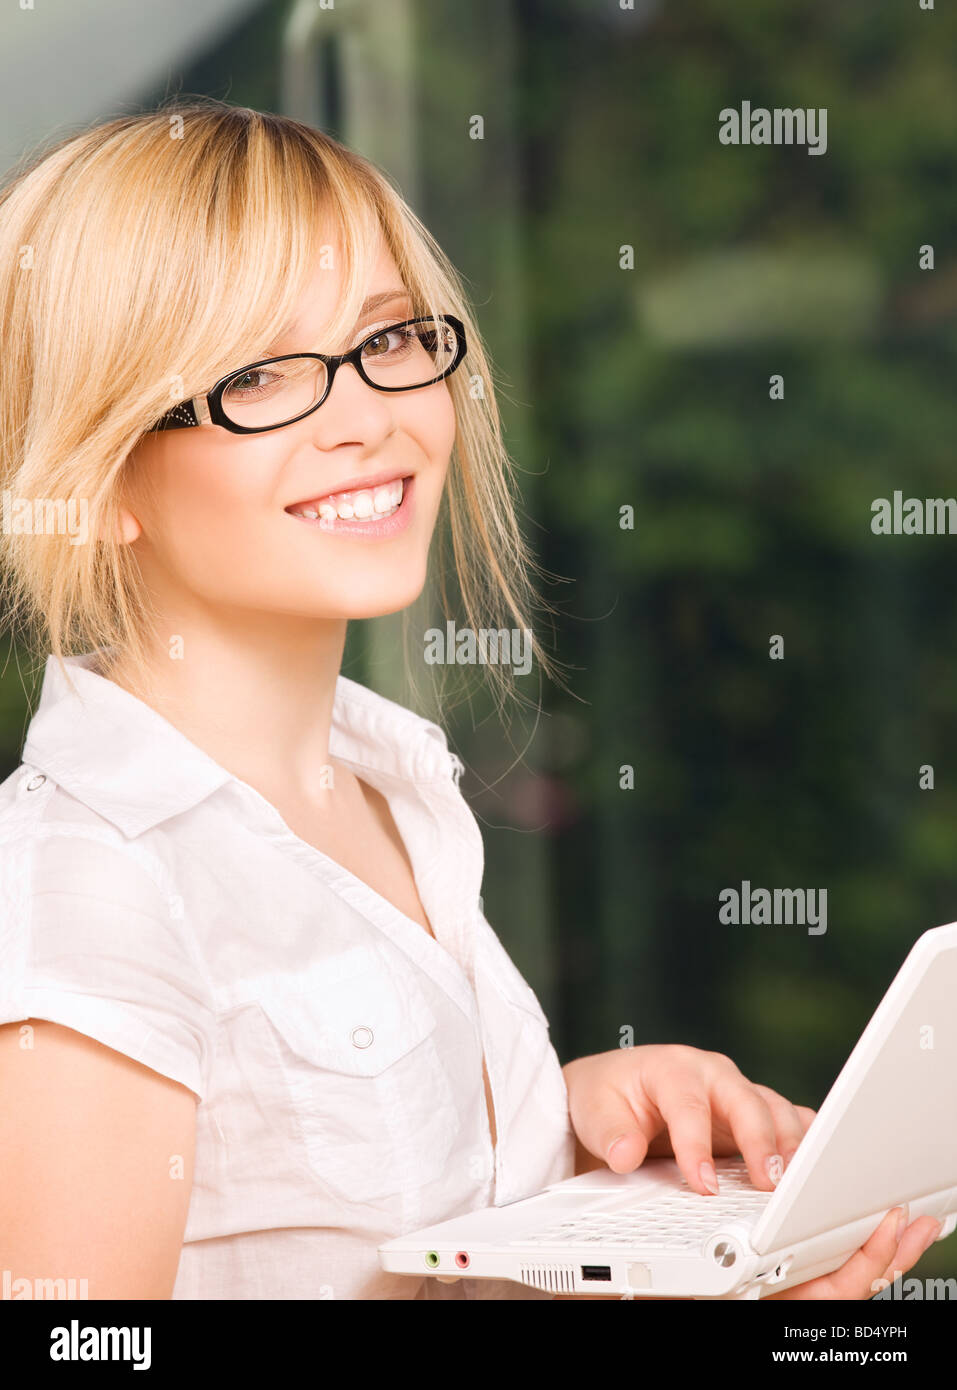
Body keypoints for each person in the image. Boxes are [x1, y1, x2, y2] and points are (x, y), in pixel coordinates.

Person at [0, 101, 939, 1301]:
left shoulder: (390, 790)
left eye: (388, 341)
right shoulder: (86, 892)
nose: (365, 417)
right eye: (259, 374)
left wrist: (556, 1135)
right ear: (101, 476)